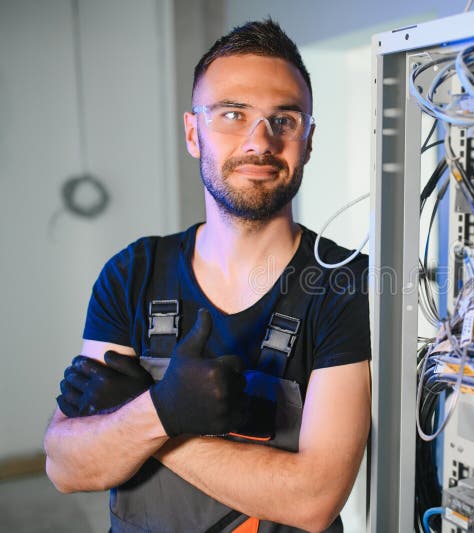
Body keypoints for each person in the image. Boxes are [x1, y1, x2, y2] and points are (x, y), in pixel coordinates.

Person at [43, 19, 371, 533]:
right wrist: (161, 410)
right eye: (233, 114)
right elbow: (66, 467)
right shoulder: (134, 272)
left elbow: (314, 498)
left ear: (307, 141)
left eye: (284, 119)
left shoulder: (343, 283)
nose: (260, 140)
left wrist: (141, 414)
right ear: (194, 133)